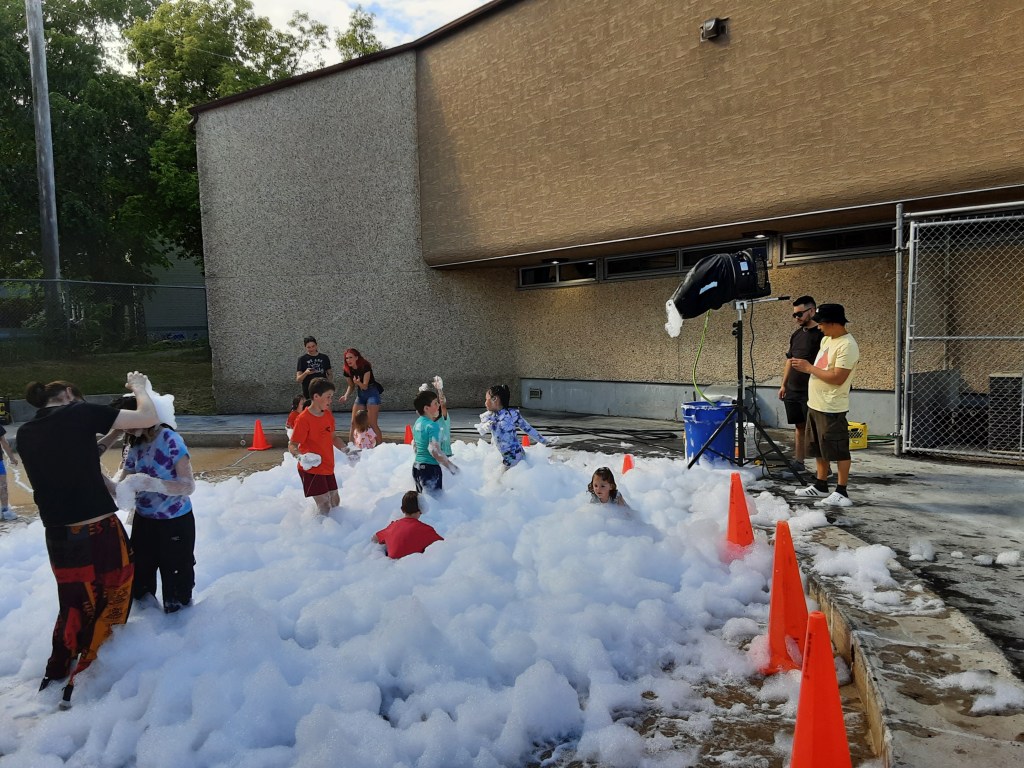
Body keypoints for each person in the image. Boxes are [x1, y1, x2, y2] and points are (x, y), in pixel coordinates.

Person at [16, 373, 158, 704]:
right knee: (114, 595)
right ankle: (87, 679)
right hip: (99, 530)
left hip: (60, 537)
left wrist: (111, 434)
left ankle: (57, 672)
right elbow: (148, 416)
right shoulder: (79, 411)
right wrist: (140, 387)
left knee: (74, 604)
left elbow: (81, 458)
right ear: (69, 395)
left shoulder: (25, 433)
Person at [113, 398, 197, 614]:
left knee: (177, 587)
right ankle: (150, 628)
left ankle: (181, 633)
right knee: (140, 581)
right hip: (144, 521)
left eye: (128, 423)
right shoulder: (135, 443)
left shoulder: (170, 439)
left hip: (175, 522)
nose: (126, 430)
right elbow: (123, 485)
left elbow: (188, 486)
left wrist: (151, 483)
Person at [791, 304, 860, 507]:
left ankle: (842, 491)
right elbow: (823, 368)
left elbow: (838, 378)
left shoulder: (847, 345)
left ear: (832, 323)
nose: (819, 327)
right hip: (816, 403)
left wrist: (808, 368)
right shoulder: (828, 339)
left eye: (821, 323)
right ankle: (821, 484)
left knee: (837, 449)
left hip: (832, 407)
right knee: (819, 448)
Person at [288, 378, 347, 515]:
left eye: (331, 397)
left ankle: (334, 531)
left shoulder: (327, 415)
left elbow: (333, 438)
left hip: (327, 465)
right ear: (316, 396)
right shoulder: (303, 419)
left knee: (335, 501)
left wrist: (347, 450)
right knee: (324, 504)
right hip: (312, 468)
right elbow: (292, 444)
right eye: (328, 397)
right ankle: (319, 531)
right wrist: (300, 457)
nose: (330, 400)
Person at [778, 295, 824, 467]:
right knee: (799, 426)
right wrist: (784, 384)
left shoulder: (822, 334)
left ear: (811, 311)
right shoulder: (796, 334)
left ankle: (823, 469)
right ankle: (799, 461)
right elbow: (790, 359)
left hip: (812, 390)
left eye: (799, 314)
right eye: (794, 315)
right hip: (793, 389)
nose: (796, 318)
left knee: (815, 430)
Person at [478, 384, 554, 468]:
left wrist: (544, 441)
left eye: (486, 399)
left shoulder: (512, 414)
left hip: (516, 456)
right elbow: (481, 430)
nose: (485, 403)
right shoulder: (488, 416)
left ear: (495, 399)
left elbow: (528, 429)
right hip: (505, 457)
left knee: (499, 479)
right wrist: (483, 427)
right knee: (497, 477)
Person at [412, 389, 459, 492]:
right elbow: (434, 451)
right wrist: (452, 467)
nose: (438, 405)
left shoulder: (417, 423)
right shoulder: (433, 426)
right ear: (426, 408)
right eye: (435, 403)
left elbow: (415, 447)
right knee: (435, 502)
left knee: (424, 502)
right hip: (430, 469)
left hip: (416, 467)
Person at [374, 491, 443, 559]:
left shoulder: (392, 527)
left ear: (402, 509)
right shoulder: (427, 530)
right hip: (414, 567)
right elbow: (443, 545)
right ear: (421, 509)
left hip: (390, 566)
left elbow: (375, 537)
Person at [341, 348, 383, 444]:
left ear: (356, 357)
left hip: (372, 392)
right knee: (353, 422)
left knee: (372, 423)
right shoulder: (347, 370)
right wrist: (346, 395)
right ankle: (351, 446)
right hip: (361, 395)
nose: (348, 360)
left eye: (350, 357)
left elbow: (364, 386)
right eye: (346, 358)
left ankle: (380, 447)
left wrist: (358, 383)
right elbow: (351, 385)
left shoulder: (365, 366)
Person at [295, 336, 332, 401]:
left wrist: (328, 384)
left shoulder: (324, 357)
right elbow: (298, 379)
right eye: (308, 347)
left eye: (313, 346)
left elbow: (330, 373)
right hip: (309, 391)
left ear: (316, 345)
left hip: (322, 390)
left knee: (325, 408)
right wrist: (306, 373)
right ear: (305, 347)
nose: (311, 349)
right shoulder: (302, 359)